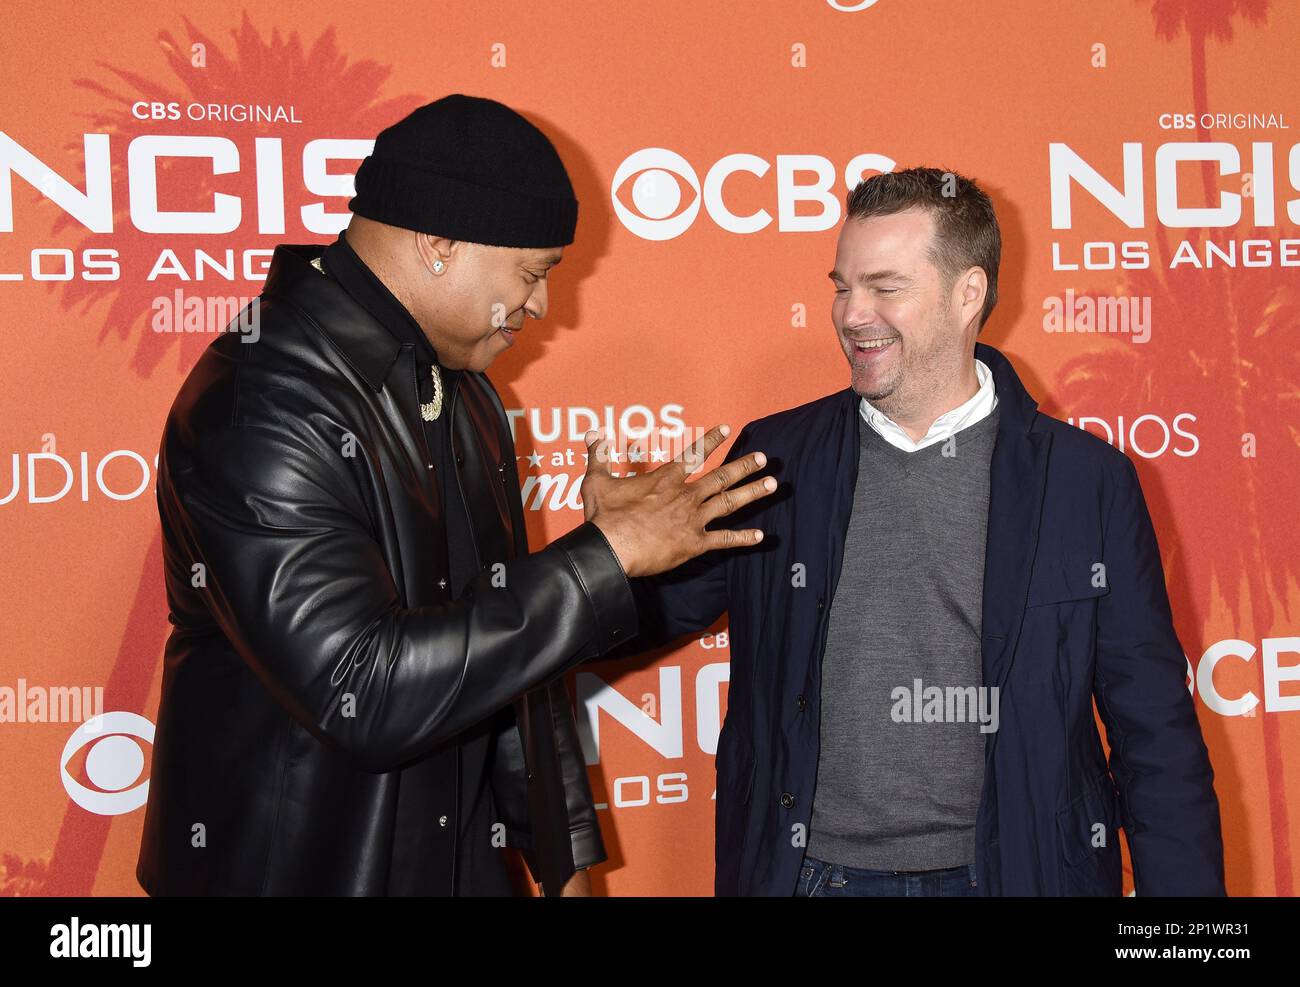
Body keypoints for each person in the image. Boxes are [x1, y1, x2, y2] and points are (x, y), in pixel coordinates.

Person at [136, 93, 774, 896]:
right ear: (438, 243)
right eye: (533, 274)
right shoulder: (260, 401)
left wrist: (562, 859)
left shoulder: (464, 391)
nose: (543, 306)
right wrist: (602, 557)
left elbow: (502, 657)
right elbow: (362, 689)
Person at [628, 167, 1225, 896]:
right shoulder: (778, 460)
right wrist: (607, 555)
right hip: (812, 878)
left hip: (1017, 874)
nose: (852, 314)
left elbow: (1153, 730)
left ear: (967, 294)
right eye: (842, 286)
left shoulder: (1084, 482)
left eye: (885, 287)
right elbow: (651, 612)